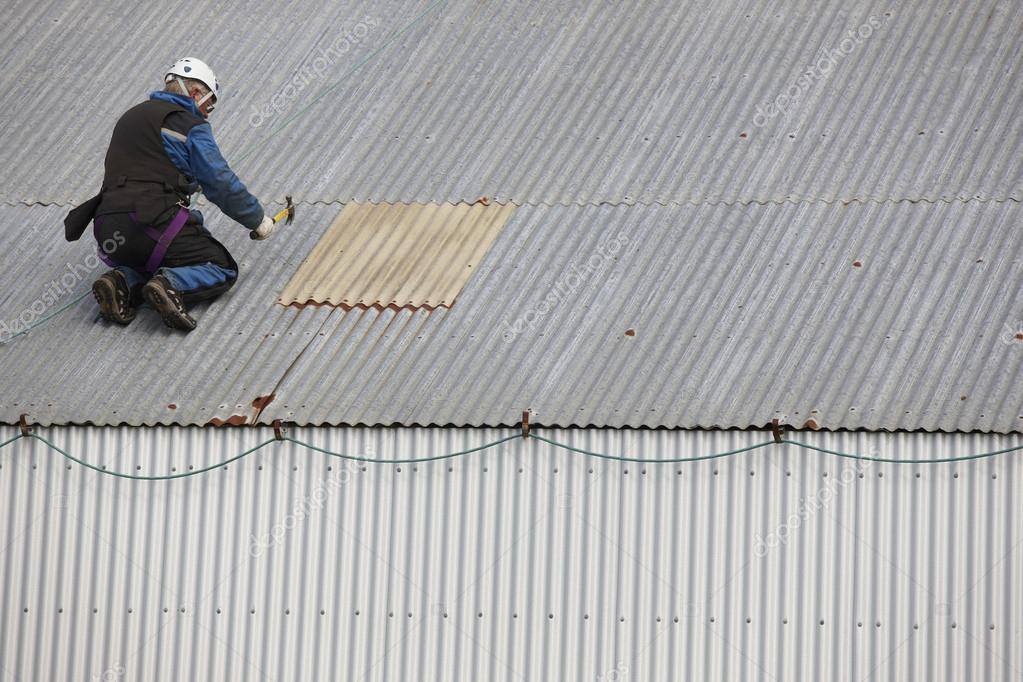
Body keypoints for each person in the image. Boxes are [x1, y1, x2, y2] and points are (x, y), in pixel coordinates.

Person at [89, 57, 276, 331]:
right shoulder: (188, 124)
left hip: (108, 228)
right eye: (209, 105)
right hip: (153, 221)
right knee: (221, 266)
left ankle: (121, 281)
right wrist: (256, 219)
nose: (207, 113)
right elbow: (220, 182)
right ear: (196, 93)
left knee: (151, 259)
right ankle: (170, 285)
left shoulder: (130, 117)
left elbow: (147, 166)